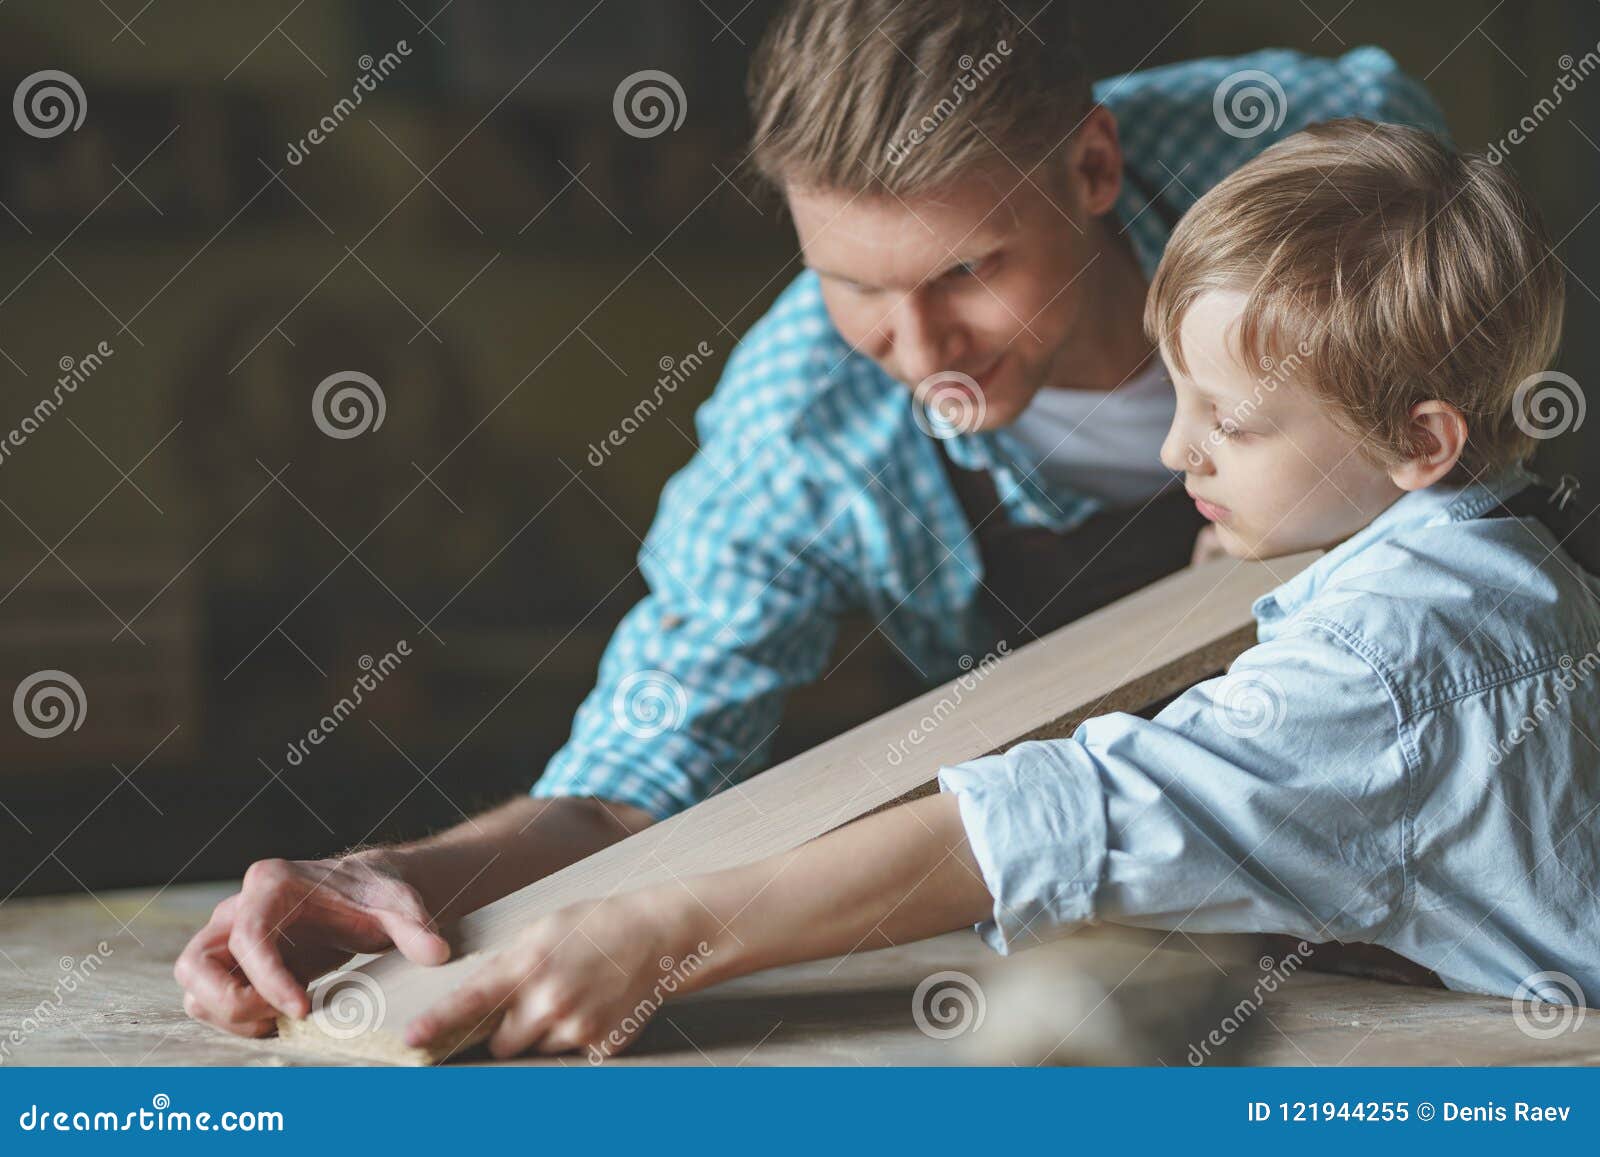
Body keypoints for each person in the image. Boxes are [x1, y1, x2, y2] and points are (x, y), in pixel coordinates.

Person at [176, 0, 1445, 1038]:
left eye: (969, 270)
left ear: (1093, 165)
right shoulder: (797, 426)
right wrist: (396, 875)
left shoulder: (1304, 160)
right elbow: (631, 786)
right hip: (1119, 917)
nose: (917, 348)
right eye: (851, 283)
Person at [401, 118, 1600, 1060]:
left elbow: (1057, 818)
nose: (1175, 451)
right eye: (1172, 395)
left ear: (1421, 441)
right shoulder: (1479, 557)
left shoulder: (1388, 659)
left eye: (1228, 422)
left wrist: (663, 930)